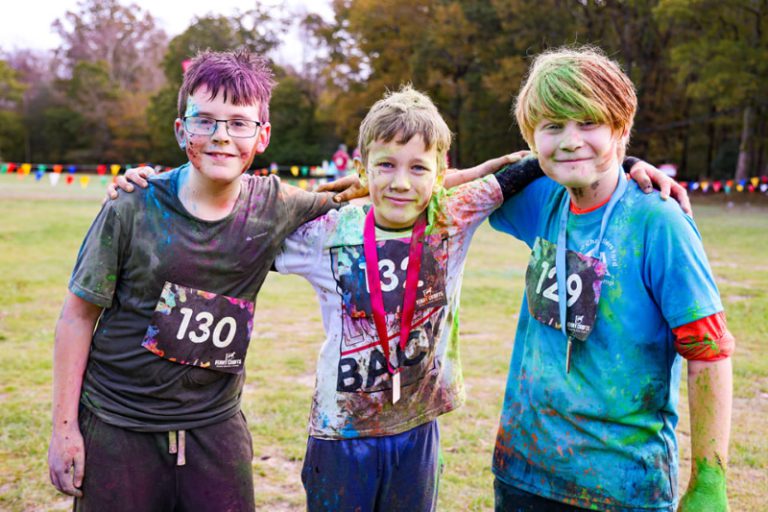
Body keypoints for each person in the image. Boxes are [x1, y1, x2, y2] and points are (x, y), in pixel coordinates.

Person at [46, 48, 338, 511]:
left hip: (214, 429)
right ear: (182, 129)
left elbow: (367, 194)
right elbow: (76, 318)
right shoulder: (131, 205)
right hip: (119, 426)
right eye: (206, 121)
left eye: (239, 123)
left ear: (262, 136)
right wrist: (64, 430)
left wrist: (483, 177)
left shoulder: (275, 204)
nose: (222, 137)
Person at [488, 47, 733, 511]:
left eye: (589, 123)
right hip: (523, 472)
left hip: (621, 487)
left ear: (620, 127)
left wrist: (709, 482)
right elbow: (435, 190)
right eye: (552, 126)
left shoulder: (658, 222)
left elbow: (710, 351)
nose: (570, 140)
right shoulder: (540, 199)